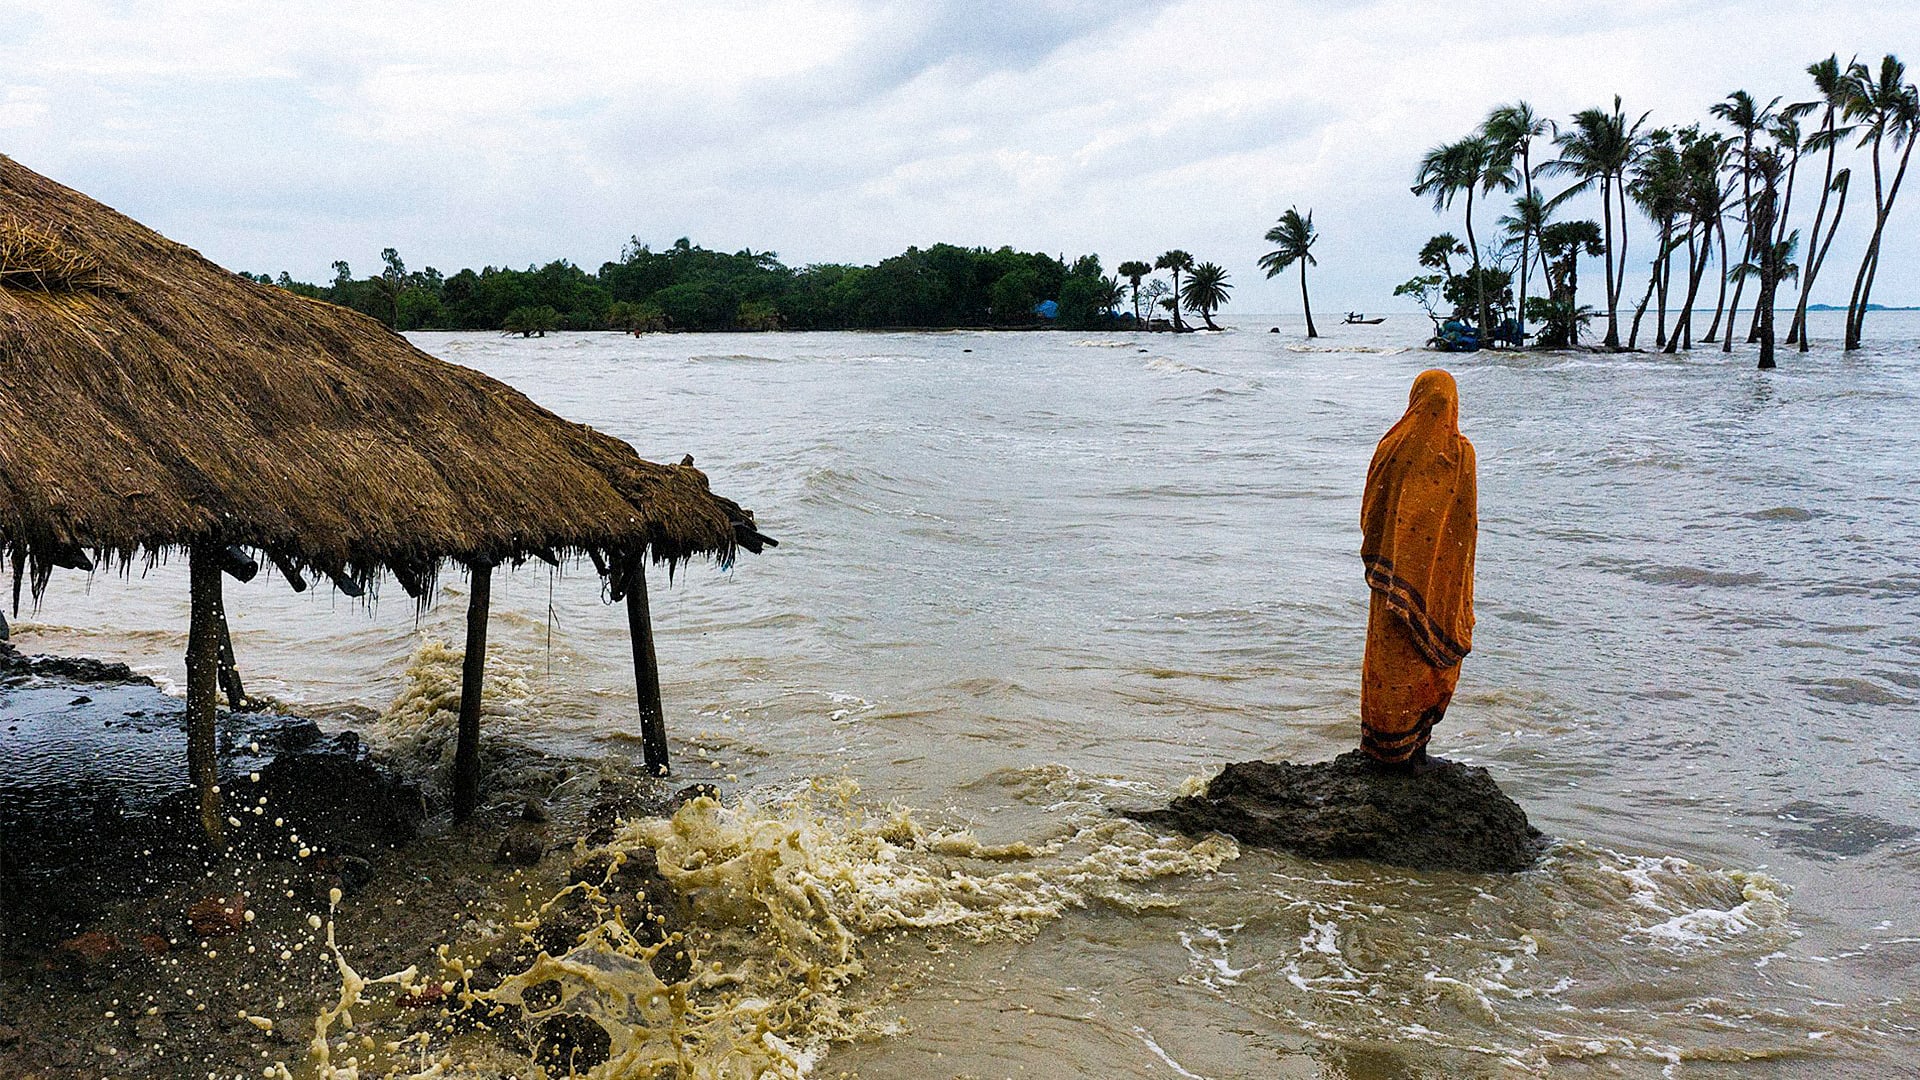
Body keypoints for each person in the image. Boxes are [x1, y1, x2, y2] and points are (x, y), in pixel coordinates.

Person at [1359, 369, 1476, 772]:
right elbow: (1466, 526)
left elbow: (1372, 512)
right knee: (1422, 665)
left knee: (1392, 665)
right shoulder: (1461, 453)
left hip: (1392, 584)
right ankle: (1413, 750)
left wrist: (1392, 560)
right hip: (1439, 586)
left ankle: (1392, 751)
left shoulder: (1391, 446)